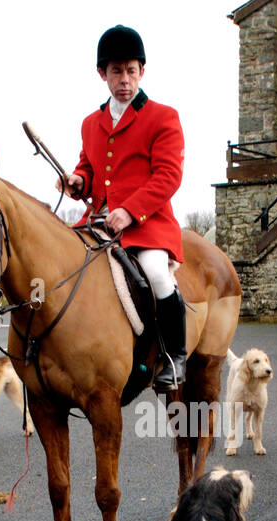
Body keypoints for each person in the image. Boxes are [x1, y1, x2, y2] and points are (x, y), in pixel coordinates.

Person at [58, 24, 187, 391]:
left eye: (132, 70)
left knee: (157, 274)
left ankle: (173, 358)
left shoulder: (163, 117)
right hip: (96, 221)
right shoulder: (90, 123)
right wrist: (78, 180)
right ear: (103, 74)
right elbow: (89, 166)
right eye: (116, 71)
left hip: (147, 225)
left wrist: (130, 211)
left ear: (142, 71)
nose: (125, 80)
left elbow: (168, 176)